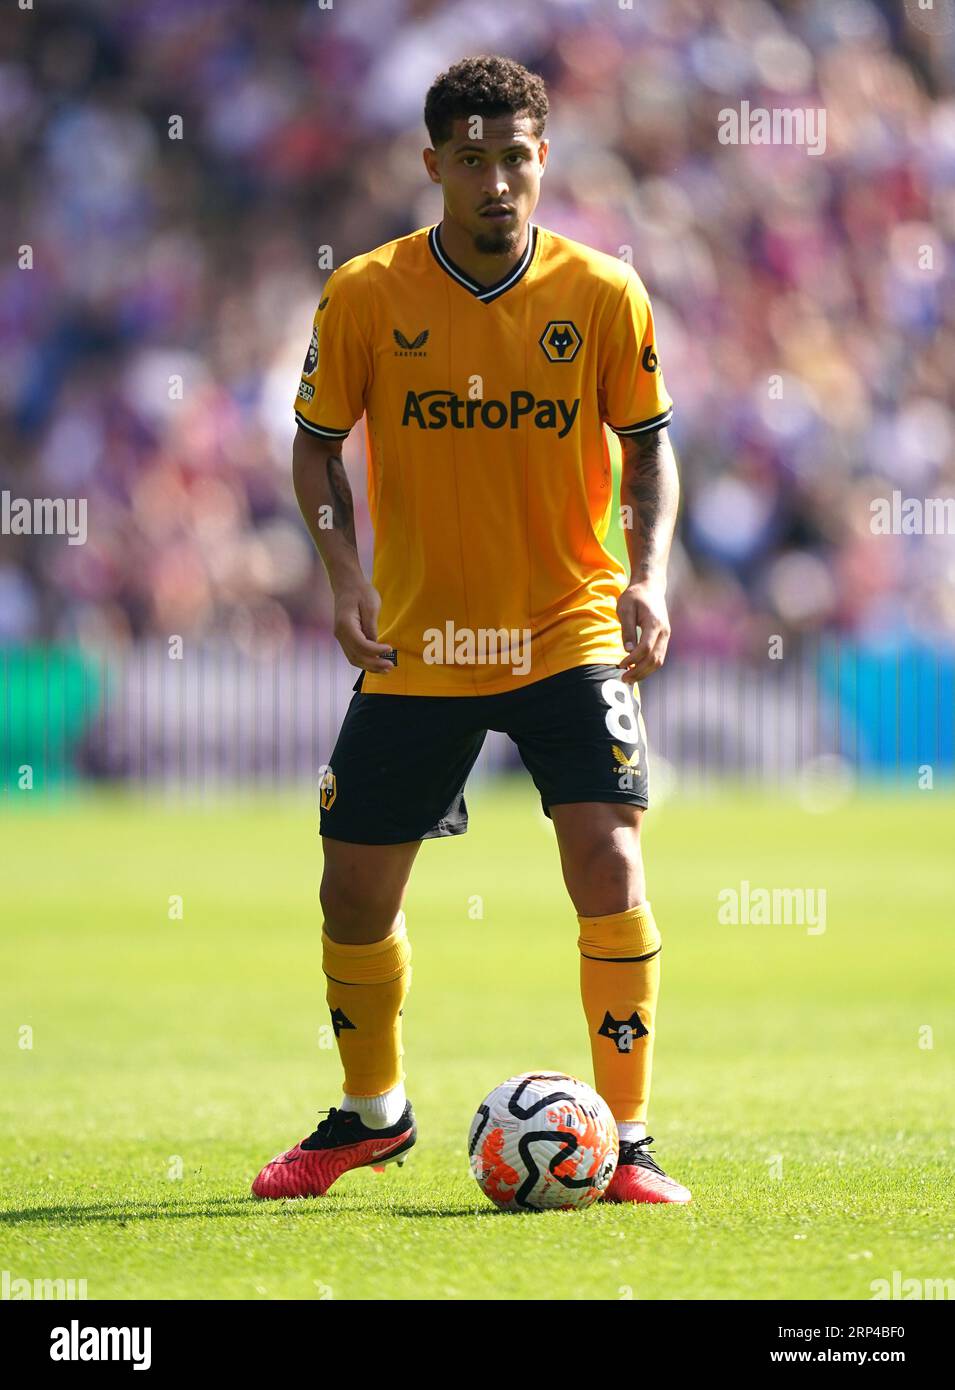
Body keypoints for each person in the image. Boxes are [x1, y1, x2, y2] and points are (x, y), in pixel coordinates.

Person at [252, 54, 690, 1204]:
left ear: (543, 159)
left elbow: (646, 448)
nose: (499, 182)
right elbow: (314, 444)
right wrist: (340, 570)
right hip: (422, 642)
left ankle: (629, 1137)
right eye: (475, 161)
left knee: (608, 855)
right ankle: (370, 1114)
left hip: (565, 630)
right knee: (352, 892)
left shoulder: (602, 293)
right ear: (434, 164)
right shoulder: (365, 294)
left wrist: (646, 577)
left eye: (518, 159)